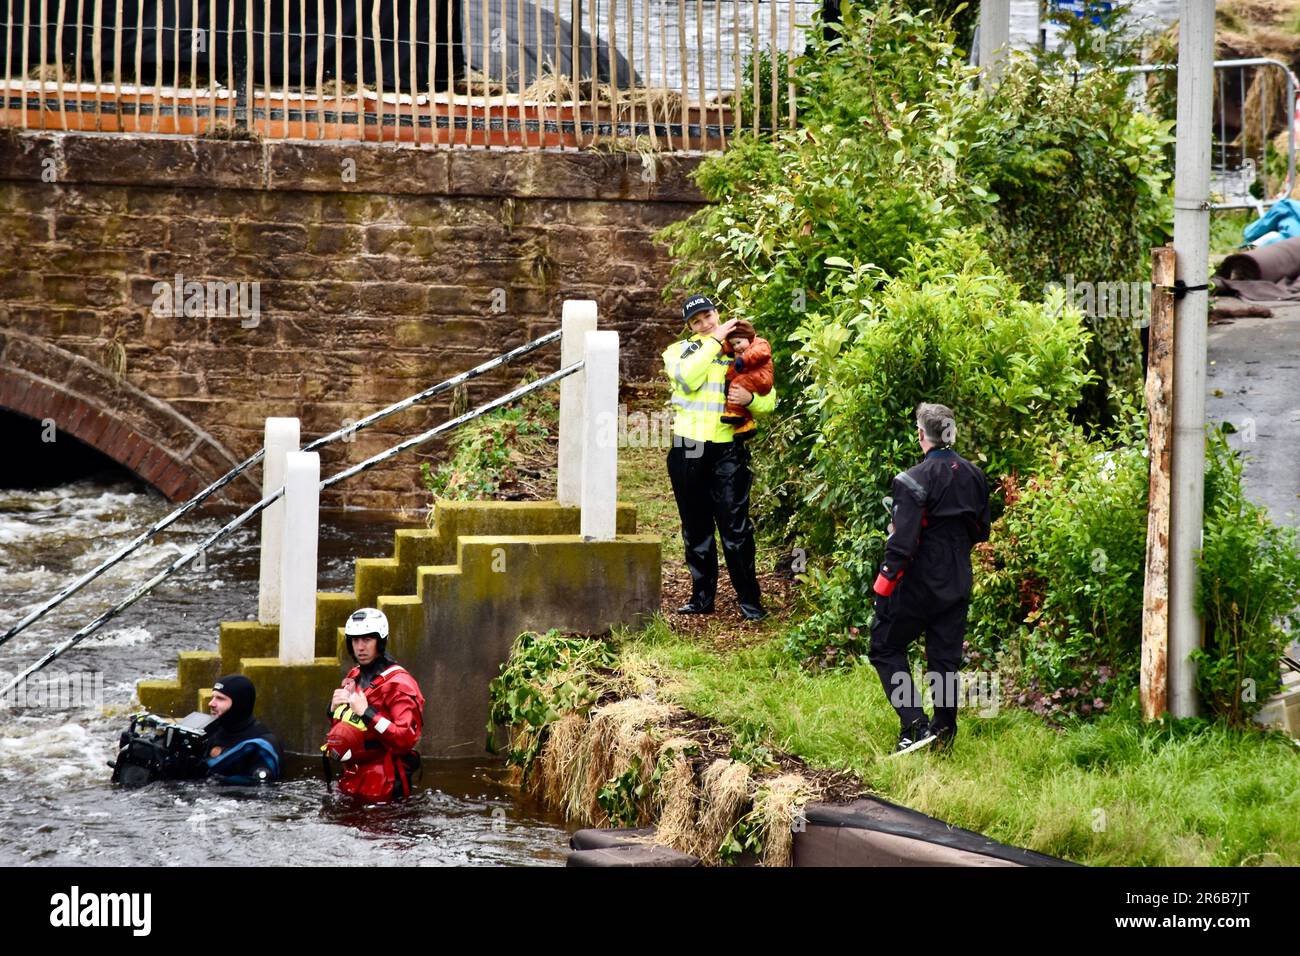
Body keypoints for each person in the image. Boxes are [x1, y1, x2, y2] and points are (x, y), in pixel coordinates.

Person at [868, 403, 991, 755]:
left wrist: (883, 586)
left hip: (917, 581)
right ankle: (945, 730)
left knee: (885, 646)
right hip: (957, 578)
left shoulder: (911, 480)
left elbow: (902, 545)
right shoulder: (975, 477)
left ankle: (915, 725)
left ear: (922, 435)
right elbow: (981, 532)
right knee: (944, 657)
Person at [662, 294, 777, 621]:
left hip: (727, 448)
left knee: (735, 527)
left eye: (708, 315)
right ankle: (701, 598)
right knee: (695, 525)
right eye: (696, 321)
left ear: (718, 312)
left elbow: (770, 400)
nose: (705, 323)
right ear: (690, 327)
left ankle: (750, 601)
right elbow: (688, 378)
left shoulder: (745, 345)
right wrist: (714, 340)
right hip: (689, 448)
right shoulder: (679, 351)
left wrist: (751, 398)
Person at [325, 607, 425, 802]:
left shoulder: (399, 684)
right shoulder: (354, 675)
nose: (360, 647)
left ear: (380, 642)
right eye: (355, 640)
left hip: (383, 783)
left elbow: (406, 739)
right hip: (352, 776)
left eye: (367, 640)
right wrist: (331, 711)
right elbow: (346, 729)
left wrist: (367, 713)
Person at [204, 674, 284, 784]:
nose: (211, 703)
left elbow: (261, 790)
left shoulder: (263, 746)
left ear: (239, 703)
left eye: (220, 698)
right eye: (212, 697)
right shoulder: (212, 732)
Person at [719, 319, 774, 439]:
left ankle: (735, 413)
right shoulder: (737, 349)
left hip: (762, 377)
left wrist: (743, 360)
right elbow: (728, 350)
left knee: (738, 382)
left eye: (738, 342)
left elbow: (758, 353)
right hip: (753, 377)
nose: (736, 347)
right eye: (734, 344)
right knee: (734, 378)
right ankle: (745, 426)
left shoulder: (759, 344)